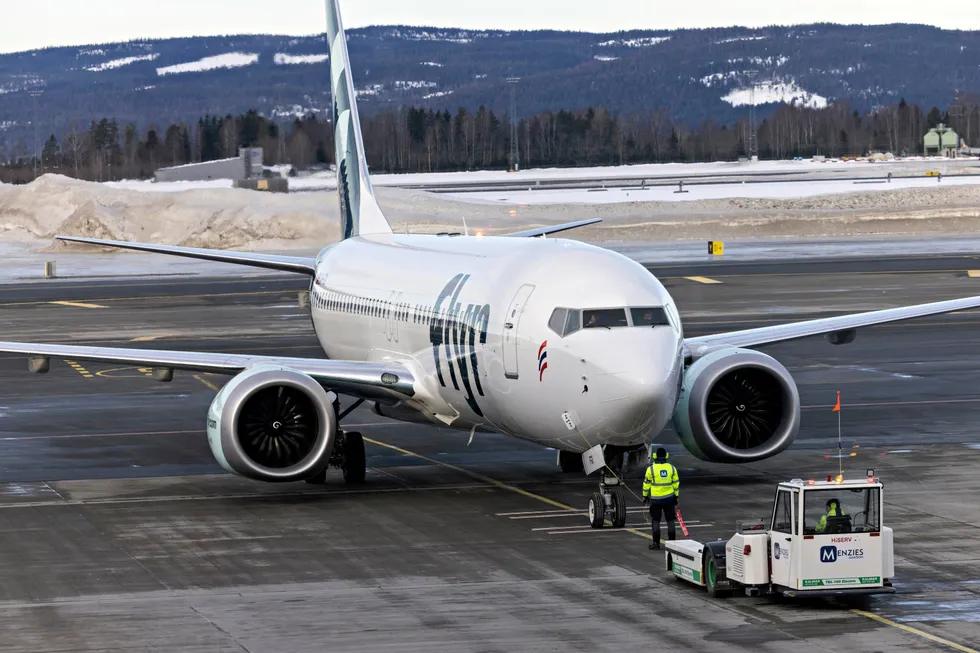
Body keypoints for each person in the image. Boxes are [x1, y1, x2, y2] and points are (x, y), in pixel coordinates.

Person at [642, 446, 679, 550]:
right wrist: (676, 496)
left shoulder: (651, 469)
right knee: (670, 521)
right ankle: (672, 543)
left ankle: (656, 543)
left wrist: (645, 496)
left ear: (655, 456)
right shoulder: (672, 468)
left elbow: (646, 485)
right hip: (669, 499)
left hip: (656, 500)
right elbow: (676, 484)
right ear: (666, 456)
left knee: (656, 521)